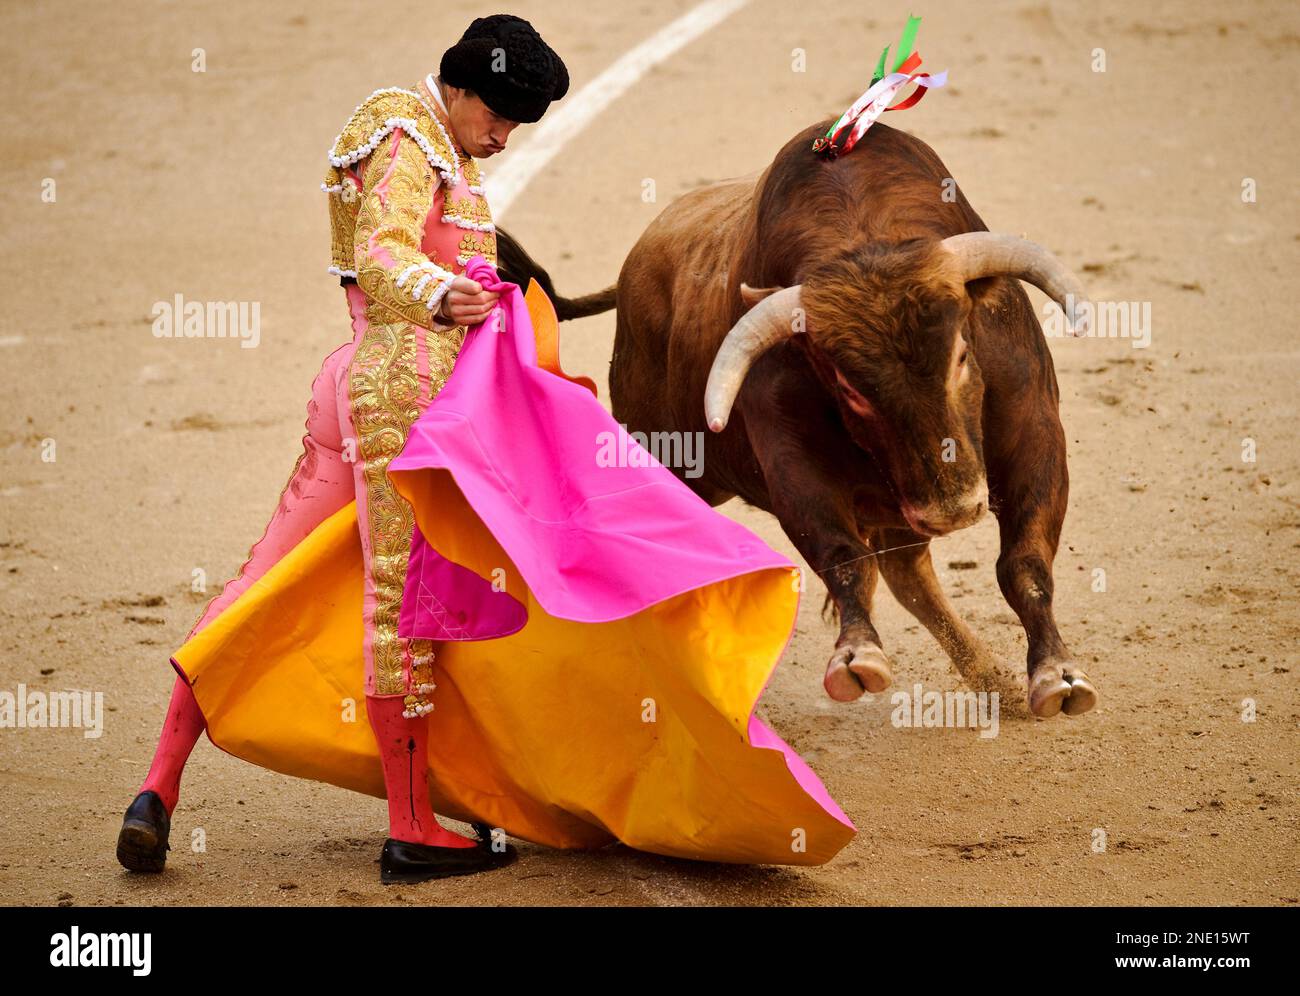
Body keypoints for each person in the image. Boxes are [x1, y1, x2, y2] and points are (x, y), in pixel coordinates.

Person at [117, 14, 570, 884]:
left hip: (359, 392)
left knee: (264, 584)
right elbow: (383, 252)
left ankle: (157, 791)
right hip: (400, 398)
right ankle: (410, 828)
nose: (505, 134)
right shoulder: (407, 136)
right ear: (463, 86)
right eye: (500, 113)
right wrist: (445, 295)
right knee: (404, 605)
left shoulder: (442, 151)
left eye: (521, 122)